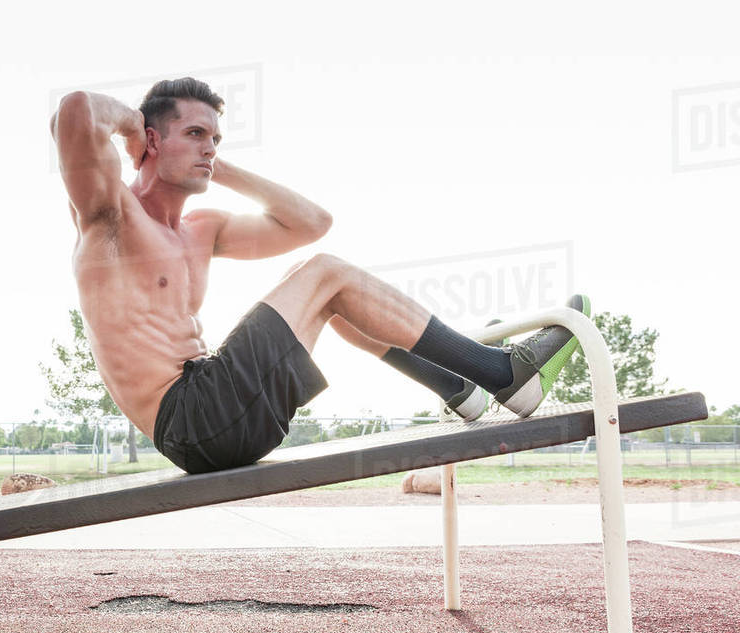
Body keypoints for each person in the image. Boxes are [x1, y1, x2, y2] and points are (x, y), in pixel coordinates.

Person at [49, 78, 588, 474]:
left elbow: (312, 224)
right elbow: (73, 111)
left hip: (216, 408)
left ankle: (458, 387)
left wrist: (215, 164)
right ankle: (502, 373)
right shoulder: (112, 215)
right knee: (326, 276)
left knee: (330, 294)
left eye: (216, 138)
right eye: (194, 133)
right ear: (151, 140)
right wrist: (129, 132)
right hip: (190, 417)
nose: (210, 147)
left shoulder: (201, 229)